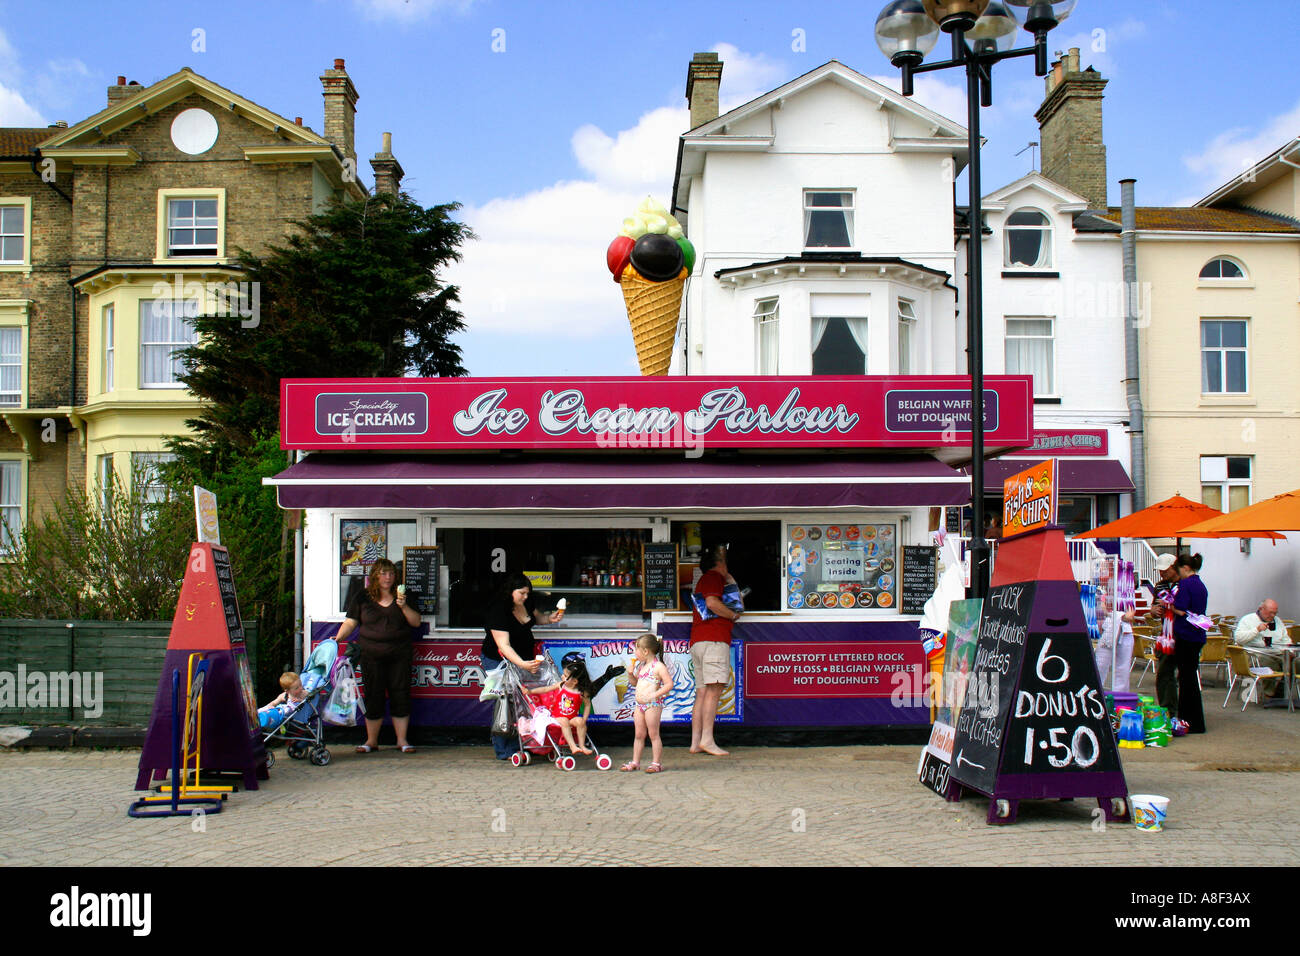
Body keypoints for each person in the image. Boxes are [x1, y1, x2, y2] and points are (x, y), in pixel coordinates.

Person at [334, 558, 422, 753]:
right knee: (373, 695)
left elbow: (416, 622)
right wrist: (337, 639)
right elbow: (351, 622)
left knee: (400, 693)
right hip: (370, 654)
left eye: (391, 573)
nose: (388, 577)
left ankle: (402, 740)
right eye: (383, 573)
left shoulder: (405, 595)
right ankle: (371, 741)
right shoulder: (363, 596)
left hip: (399, 654)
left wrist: (403, 606)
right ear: (375, 576)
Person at [480, 573, 565, 760]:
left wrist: (549, 618)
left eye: (528, 593)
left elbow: (535, 619)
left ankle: (527, 742)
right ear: (510, 591)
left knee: (525, 700)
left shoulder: (527, 603)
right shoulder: (498, 610)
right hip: (499, 659)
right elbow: (504, 645)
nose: (525, 597)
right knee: (506, 701)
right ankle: (505, 749)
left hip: (525, 658)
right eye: (522, 593)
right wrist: (522, 664)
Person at [689, 542, 741, 757]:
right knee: (713, 691)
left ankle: (695, 742)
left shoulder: (708, 580)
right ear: (718, 563)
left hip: (700, 641)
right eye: (724, 560)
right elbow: (711, 603)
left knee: (701, 693)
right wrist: (732, 615)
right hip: (714, 641)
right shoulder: (713, 578)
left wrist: (731, 581)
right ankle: (708, 740)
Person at [1164, 552, 1208, 734]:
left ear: (1186, 568)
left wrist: (1169, 604)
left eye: (1179, 569)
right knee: (1190, 677)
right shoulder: (1201, 585)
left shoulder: (1186, 584)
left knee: (1185, 679)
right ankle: (1195, 720)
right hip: (1197, 634)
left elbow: (1181, 609)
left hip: (1185, 634)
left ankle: (1188, 719)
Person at [621, 633, 673, 773]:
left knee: (653, 734)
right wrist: (631, 674)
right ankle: (635, 762)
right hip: (640, 705)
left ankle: (656, 763)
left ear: (645, 651)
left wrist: (654, 694)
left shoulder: (659, 667)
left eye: (636, 649)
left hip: (653, 705)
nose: (634, 653)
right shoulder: (641, 666)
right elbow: (635, 683)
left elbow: (669, 684)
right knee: (639, 734)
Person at [524, 661, 592, 755]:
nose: (562, 677)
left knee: (580, 721)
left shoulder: (581, 692)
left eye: (565, 675)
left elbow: (588, 705)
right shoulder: (561, 686)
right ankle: (573, 746)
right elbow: (545, 689)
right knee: (564, 721)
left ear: (575, 681)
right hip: (557, 717)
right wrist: (530, 691)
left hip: (571, 718)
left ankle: (582, 745)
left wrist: (584, 719)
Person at [1233, 599, 1293, 696]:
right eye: (1270, 613)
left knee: (1295, 663)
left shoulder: (1277, 621)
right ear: (1261, 609)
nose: (1273, 616)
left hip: (1277, 653)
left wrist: (1289, 650)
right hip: (1254, 655)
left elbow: (1286, 639)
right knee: (1269, 663)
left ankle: (1281, 691)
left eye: (1275, 613)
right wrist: (1257, 630)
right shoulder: (1248, 619)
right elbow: (1239, 639)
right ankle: (1269, 694)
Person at [1145, 554, 1180, 713]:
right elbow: (1153, 609)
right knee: (1164, 674)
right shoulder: (1160, 586)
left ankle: (1176, 708)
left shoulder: (1184, 584)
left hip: (1179, 633)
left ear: (1174, 567)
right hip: (1166, 635)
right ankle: (1167, 707)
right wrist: (1153, 611)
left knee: (1176, 674)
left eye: (1165, 570)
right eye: (1160, 571)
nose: (1162, 574)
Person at [1095, 607, 1136, 693]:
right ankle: (1095, 692)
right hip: (1107, 631)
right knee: (1100, 665)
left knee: (1123, 669)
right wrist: (1120, 616)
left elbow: (1129, 615)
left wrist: (1120, 617)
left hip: (1125, 631)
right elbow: (1103, 609)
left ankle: (1120, 697)